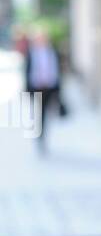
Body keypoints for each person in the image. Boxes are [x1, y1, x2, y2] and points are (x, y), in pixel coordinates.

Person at [23, 23, 63, 151]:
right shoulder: (31, 52)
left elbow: (57, 70)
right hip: (36, 87)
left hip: (49, 87)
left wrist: (57, 89)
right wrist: (27, 89)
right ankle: (39, 134)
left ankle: (42, 134)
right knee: (39, 112)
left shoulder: (52, 52)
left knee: (45, 112)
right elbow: (27, 71)